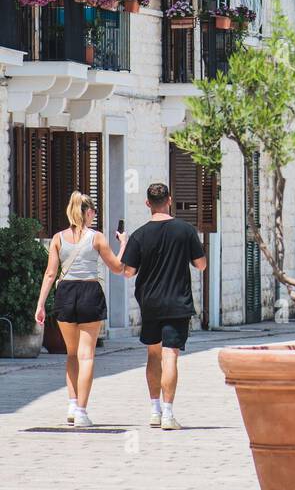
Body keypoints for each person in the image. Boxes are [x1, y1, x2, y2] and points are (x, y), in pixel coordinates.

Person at [34, 191, 128, 429]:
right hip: (89, 293)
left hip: (65, 294)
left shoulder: (57, 238)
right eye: (93, 211)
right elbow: (117, 268)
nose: (94, 215)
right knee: (87, 356)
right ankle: (82, 412)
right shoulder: (96, 238)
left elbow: (50, 274)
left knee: (72, 354)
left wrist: (41, 304)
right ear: (87, 213)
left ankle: (72, 404)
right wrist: (124, 244)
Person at [121, 181, 206, 431]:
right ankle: (168, 414)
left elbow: (128, 272)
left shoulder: (139, 235)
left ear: (148, 203)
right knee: (171, 355)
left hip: (150, 303)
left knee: (153, 355)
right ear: (170, 199)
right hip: (177, 302)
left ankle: (154, 410)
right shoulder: (185, 230)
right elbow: (200, 264)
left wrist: (124, 245)